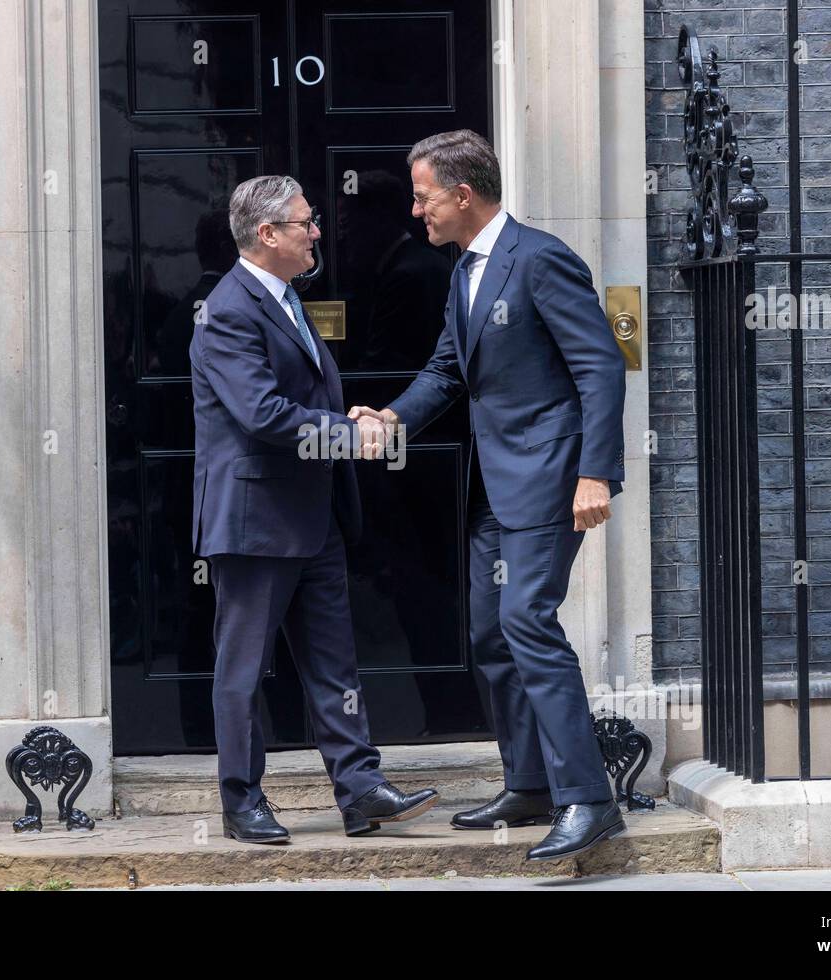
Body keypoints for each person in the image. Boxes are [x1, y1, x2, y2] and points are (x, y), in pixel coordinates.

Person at [350, 130, 628, 862]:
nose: (416, 211)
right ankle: (530, 782)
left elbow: (600, 367)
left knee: (528, 623)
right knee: (488, 633)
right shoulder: (464, 272)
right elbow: (446, 370)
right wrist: (391, 419)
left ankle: (589, 800)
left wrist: (595, 474)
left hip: (549, 477)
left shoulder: (539, 259)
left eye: (422, 195)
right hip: (495, 487)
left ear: (462, 194)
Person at [189, 174, 440, 843]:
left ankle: (360, 790)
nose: (318, 231)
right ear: (267, 234)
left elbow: (301, 400)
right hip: (253, 522)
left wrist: (345, 417)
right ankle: (241, 800)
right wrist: (349, 435)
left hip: (313, 517)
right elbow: (262, 413)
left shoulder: (285, 298)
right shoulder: (228, 310)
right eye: (306, 222)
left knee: (335, 663)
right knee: (244, 670)